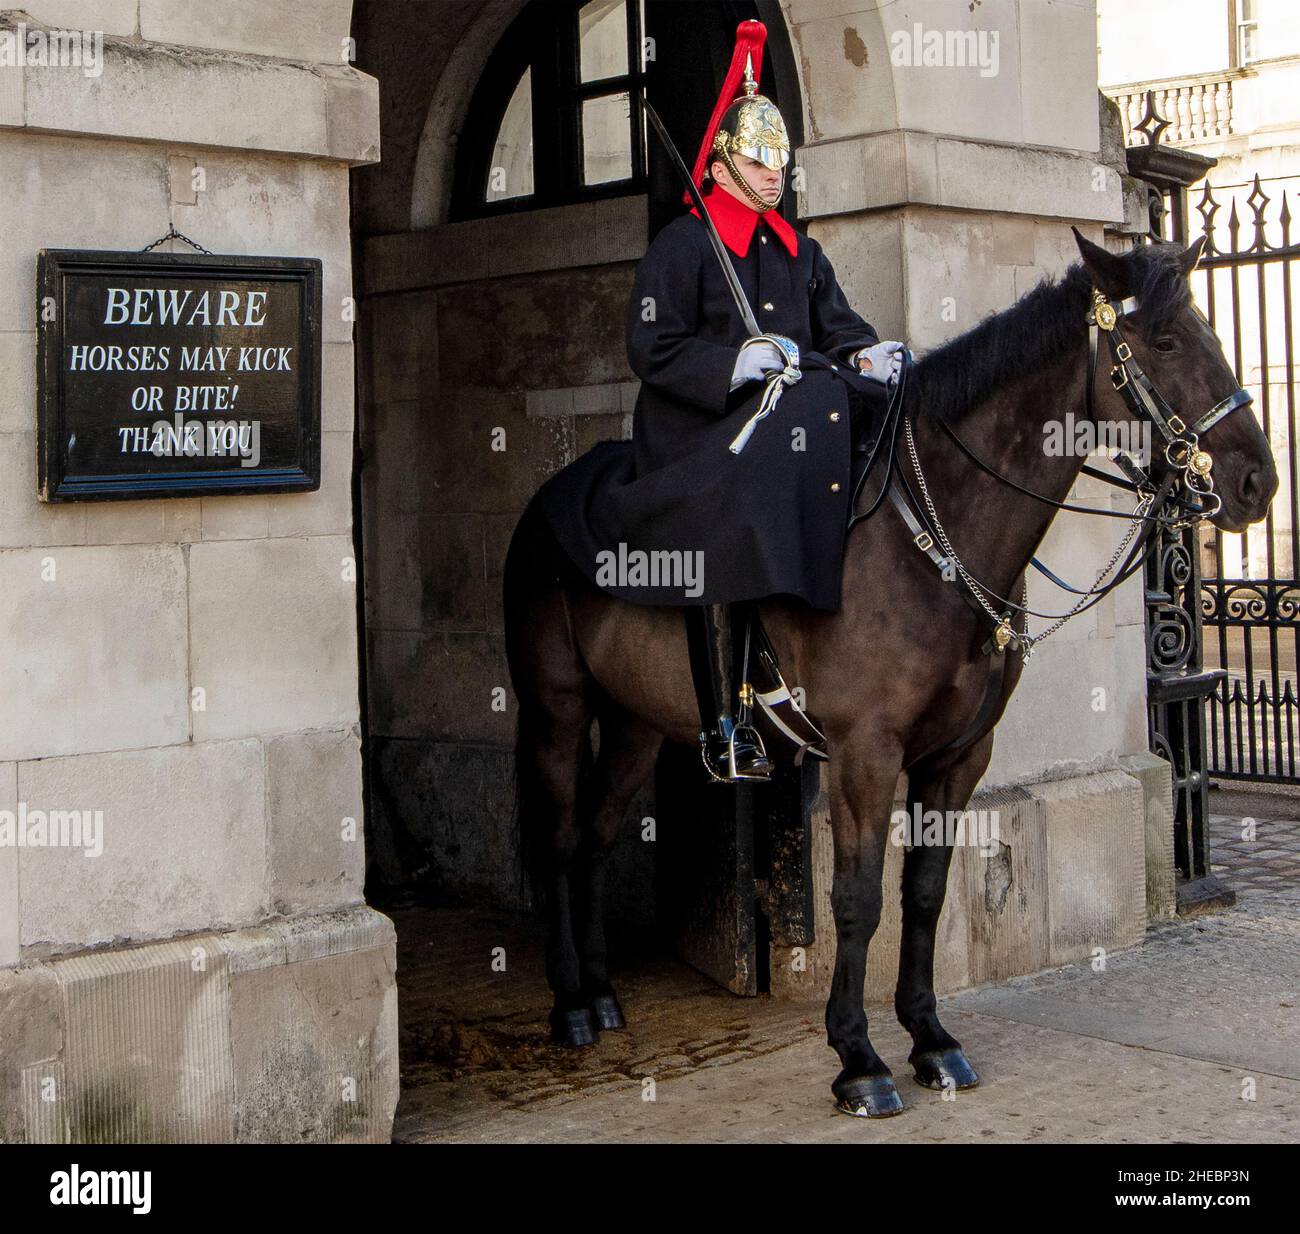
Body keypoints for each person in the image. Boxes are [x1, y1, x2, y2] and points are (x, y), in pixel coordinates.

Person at [624, 19, 905, 781]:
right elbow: (653, 348)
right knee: (739, 500)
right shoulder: (683, 248)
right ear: (719, 164)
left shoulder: (798, 251)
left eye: (779, 157)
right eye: (756, 156)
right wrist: (736, 362)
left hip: (791, 422)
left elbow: (840, 331)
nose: (773, 170)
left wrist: (868, 353)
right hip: (702, 432)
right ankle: (726, 720)